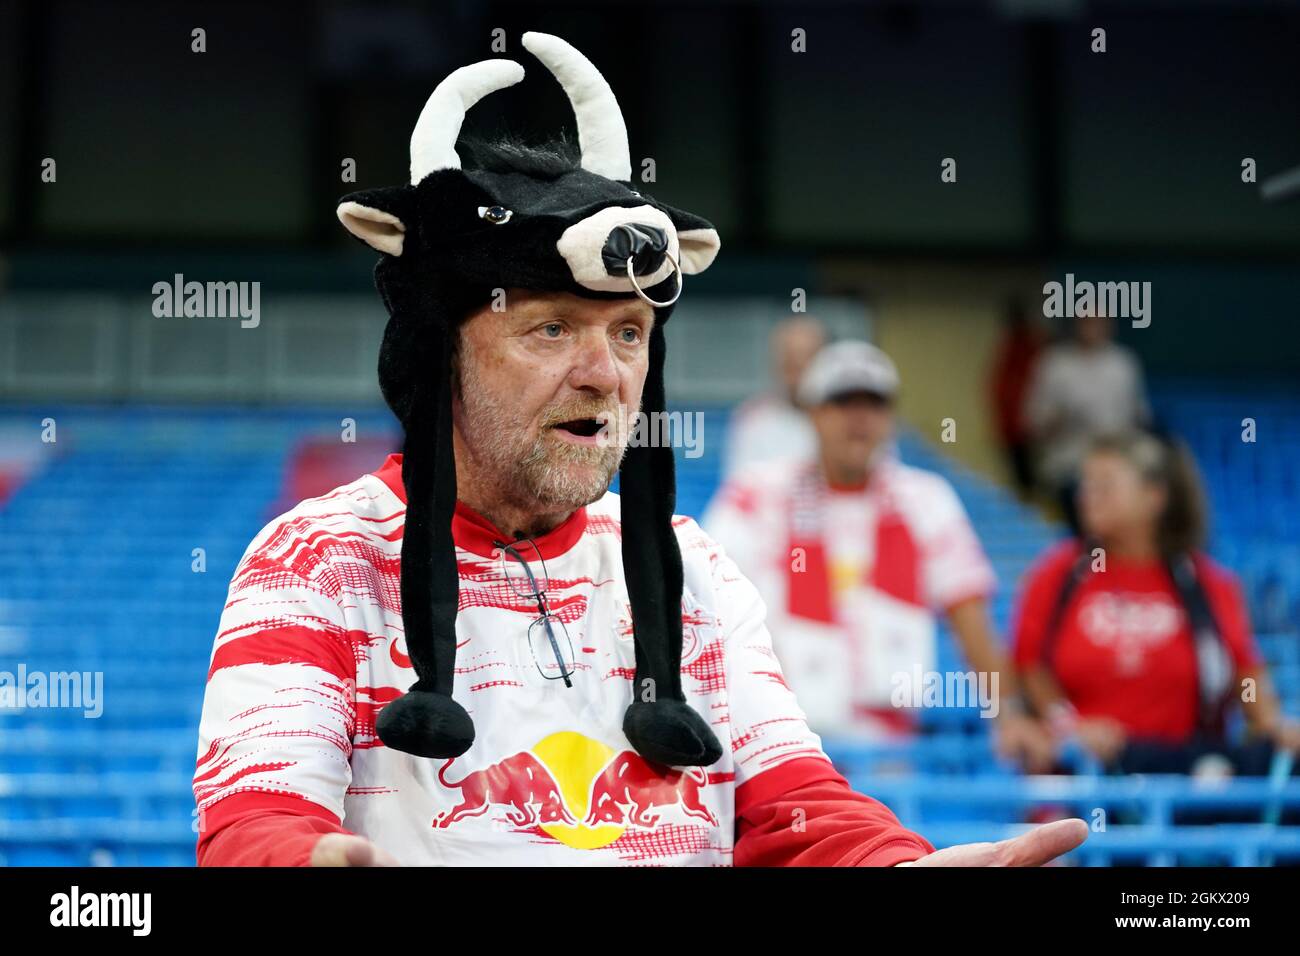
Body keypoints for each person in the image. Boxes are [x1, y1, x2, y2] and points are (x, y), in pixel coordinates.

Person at [193, 33, 1085, 866]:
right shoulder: (316, 562)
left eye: (628, 332)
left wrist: (897, 866)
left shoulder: (690, 568)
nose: (603, 373)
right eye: (549, 329)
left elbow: (794, 809)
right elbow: (256, 820)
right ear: (441, 354)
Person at [705, 341, 1055, 770]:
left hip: (891, 752)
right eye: (841, 401)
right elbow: (708, 602)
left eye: (873, 403)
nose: (858, 418)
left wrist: (1009, 714)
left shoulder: (926, 500)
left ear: (890, 417)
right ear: (812, 413)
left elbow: (969, 615)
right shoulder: (756, 495)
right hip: (776, 744)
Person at [1012, 431, 1300, 773]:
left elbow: (1244, 672)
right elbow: (1029, 666)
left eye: (1105, 486)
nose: (1087, 497)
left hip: (1186, 776)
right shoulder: (1058, 574)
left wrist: (1272, 723)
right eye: (1085, 485)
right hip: (1087, 773)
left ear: (1154, 497)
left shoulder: (1206, 583)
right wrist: (1068, 725)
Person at [1023, 307, 1149, 531]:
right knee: (1085, 524)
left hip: (1117, 466)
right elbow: (1033, 424)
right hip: (1069, 467)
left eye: (1100, 321)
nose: (1094, 327)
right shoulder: (1055, 364)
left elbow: (1139, 420)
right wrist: (1062, 416)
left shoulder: (1123, 364)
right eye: (1088, 321)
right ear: (1076, 324)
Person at [721, 316, 825, 478]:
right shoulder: (752, 420)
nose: (798, 374)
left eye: (806, 359)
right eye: (790, 362)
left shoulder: (845, 419)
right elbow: (739, 486)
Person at [988, 298, 1045, 500]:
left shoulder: (1035, 348)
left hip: (1038, 432)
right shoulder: (1009, 351)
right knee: (1025, 488)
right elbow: (999, 393)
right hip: (1015, 432)